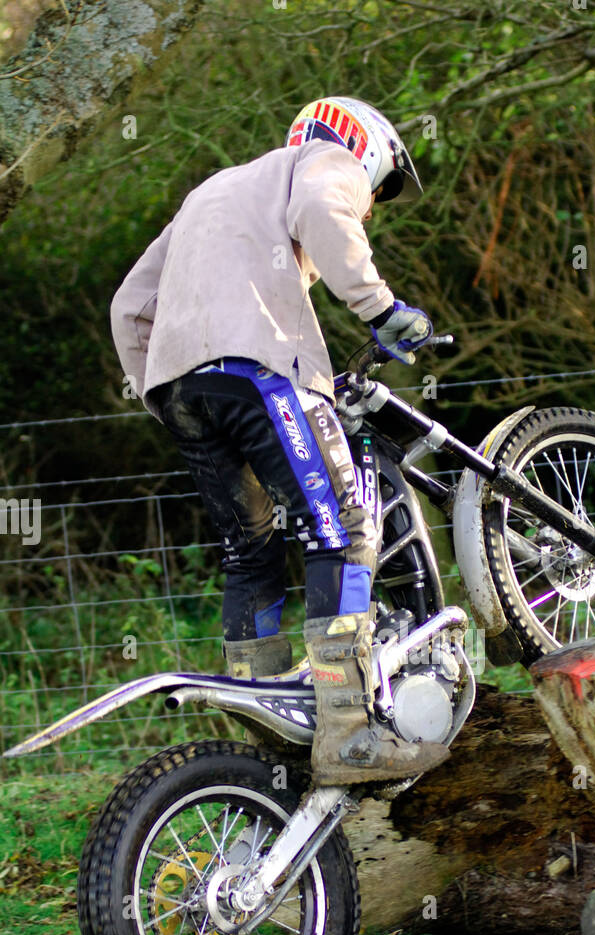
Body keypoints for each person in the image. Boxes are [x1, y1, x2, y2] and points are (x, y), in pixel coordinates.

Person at [110, 96, 449, 785]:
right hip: (261, 372)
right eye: (380, 191)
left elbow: (129, 304)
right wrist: (379, 308)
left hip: (181, 388)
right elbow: (324, 214)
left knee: (251, 547)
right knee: (345, 529)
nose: (374, 205)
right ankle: (349, 731)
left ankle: (267, 727)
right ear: (369, 150)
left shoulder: (212, 191)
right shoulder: (326, 160)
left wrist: (166, 391)